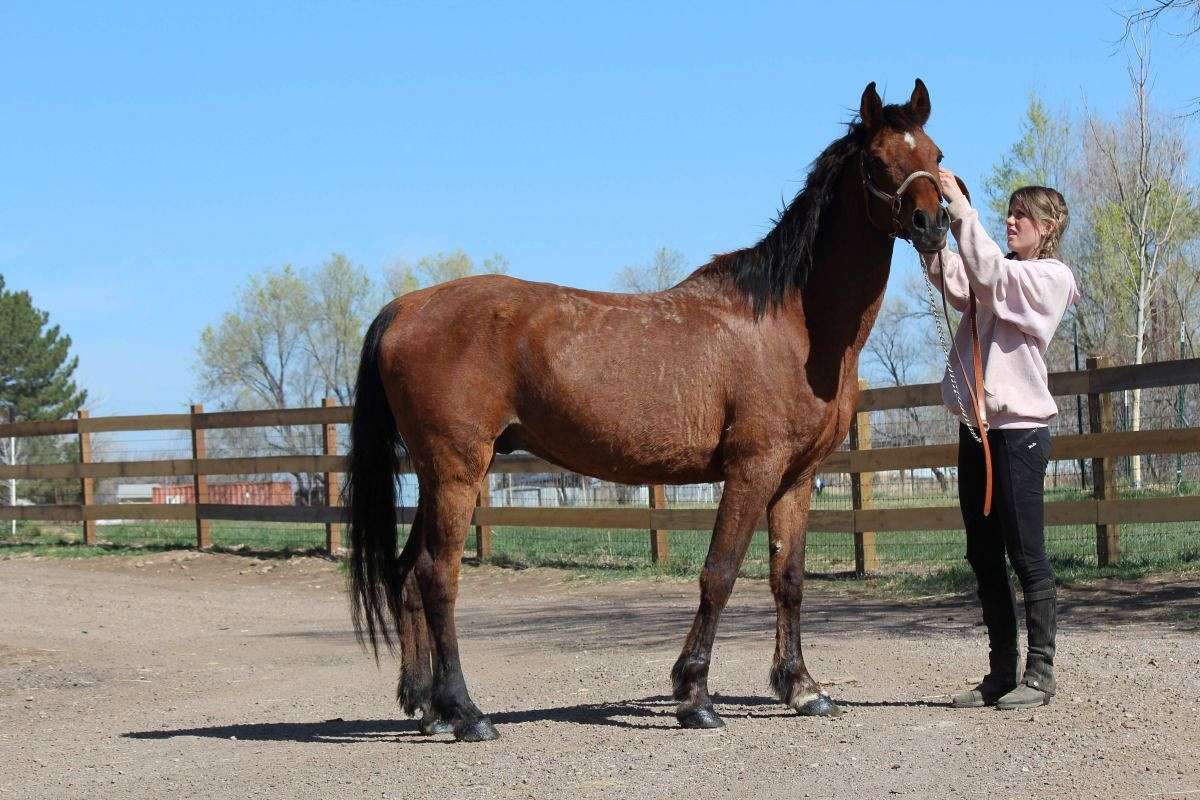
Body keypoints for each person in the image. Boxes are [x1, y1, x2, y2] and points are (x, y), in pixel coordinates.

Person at [922, 172, 1080, 710]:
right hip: (978, 431)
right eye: (1009, 213)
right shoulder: (1004, 277)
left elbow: (988, 277)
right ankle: (1000, 673)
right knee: (984, 555)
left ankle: (1040, 673)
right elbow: (967, 286)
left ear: (1049, 227)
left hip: (1020, 435)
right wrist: (936, 246)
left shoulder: (1050, 279)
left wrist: (964, 211)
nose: (1011, 220)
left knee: (1026, 553)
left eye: (1022, 215)